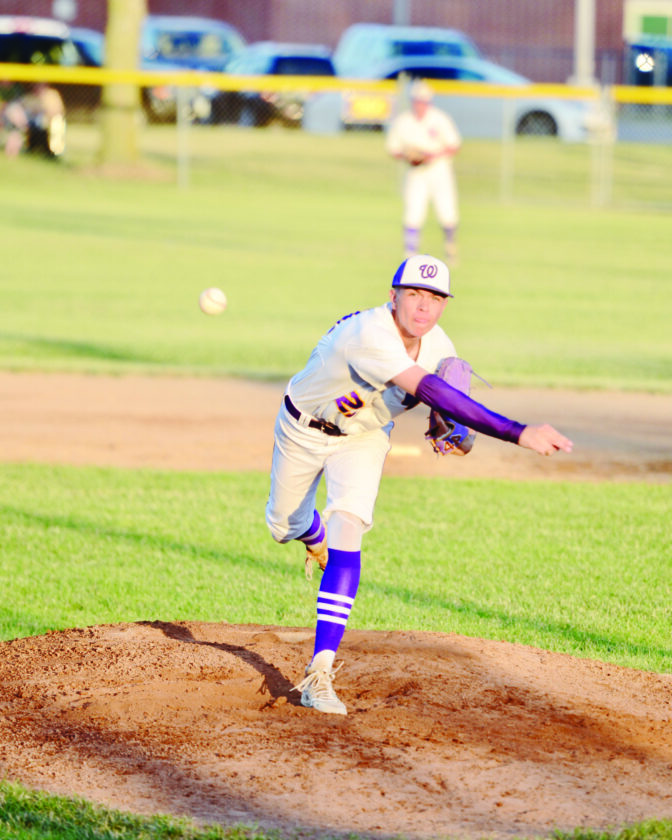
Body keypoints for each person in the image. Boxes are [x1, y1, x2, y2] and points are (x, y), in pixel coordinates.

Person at [265, 253, 573, 716]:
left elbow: (444, 401)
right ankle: (313, 536)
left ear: (444, 305)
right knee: (283, 526)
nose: (424, 307)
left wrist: (444, 424)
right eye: (414, 294)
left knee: (350, 528)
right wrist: (518, 432)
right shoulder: (369, 334)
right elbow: (432, 390)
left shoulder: (438, 346)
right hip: (303, 429)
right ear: (393, 297)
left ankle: (320, 672)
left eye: (435, 298)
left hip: (364, 438)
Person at [385, 80, 462, 264]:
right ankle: (410, 254)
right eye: (417, 101)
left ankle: (450, 248)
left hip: (439, 170)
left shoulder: (439, 119)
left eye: (423, 101)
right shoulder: (404, 121)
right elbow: (393, 148)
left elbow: (454, 145)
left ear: (429, 102)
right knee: (413, 211)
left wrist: (432, 155)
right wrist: (409, 155)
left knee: (447, 211)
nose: (420, 104)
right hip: (416, 171)